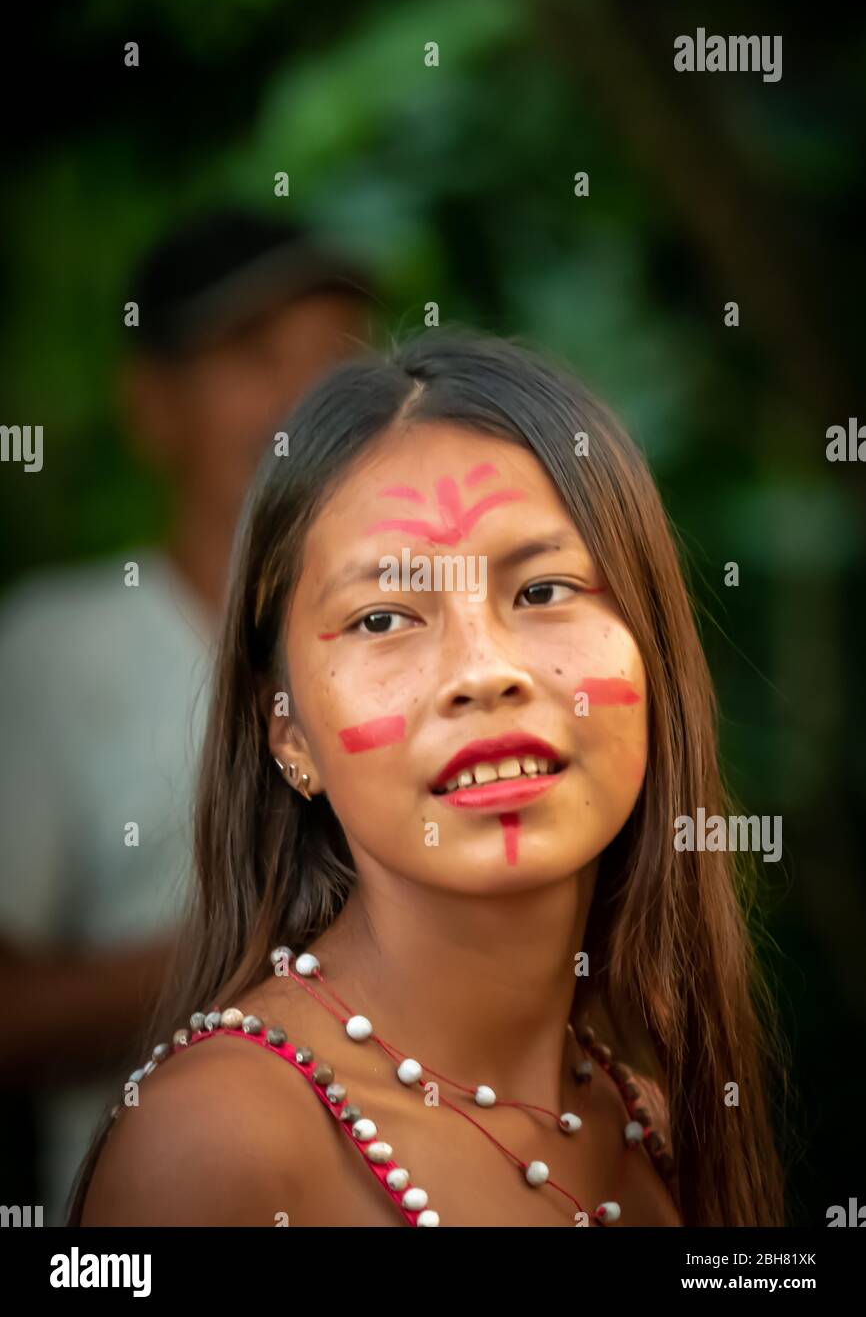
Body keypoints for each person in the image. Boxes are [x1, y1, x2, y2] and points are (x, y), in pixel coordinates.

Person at [70, 331, 787, 1227]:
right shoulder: (220, 1147)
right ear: (286, 732)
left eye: (542, 591)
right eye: (382, 617)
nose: (482, 672)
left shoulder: (657, 1124)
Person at [0, 208, 374, 1225]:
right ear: (153, 408)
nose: (310, 396)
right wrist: (311, 934)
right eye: (254, 354)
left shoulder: (428, 634)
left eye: (341, 356)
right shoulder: (53, 647)